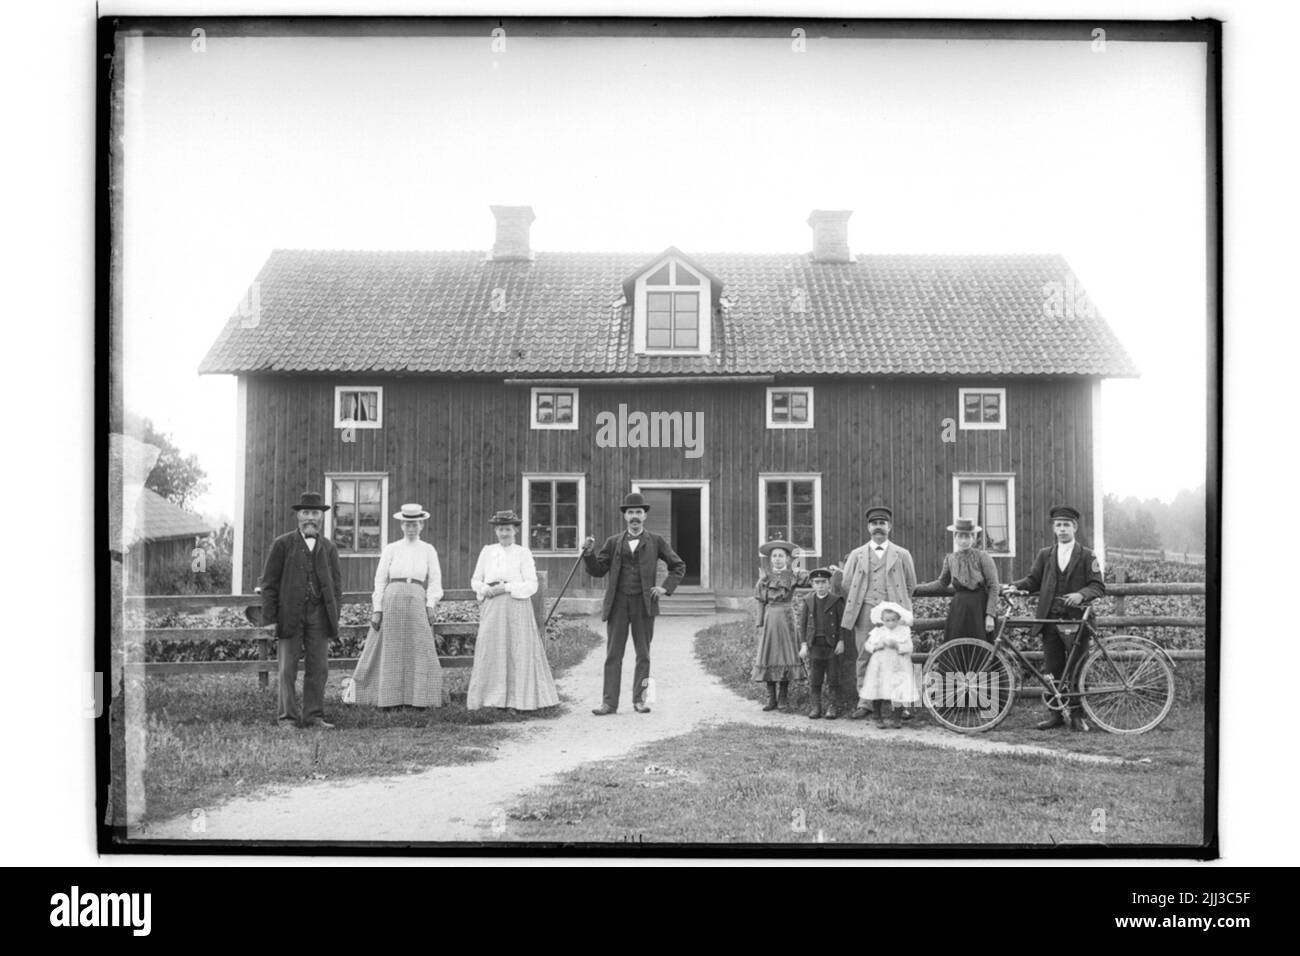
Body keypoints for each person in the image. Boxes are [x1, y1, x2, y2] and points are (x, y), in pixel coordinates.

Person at [581, 492, 686, 716]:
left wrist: (665, 588)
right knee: (613, 655)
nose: (635, 516)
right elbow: (599, 571)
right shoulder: (612, 542)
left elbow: (678, 566)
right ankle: (609, 704)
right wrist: (588, 554)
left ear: (645, 516)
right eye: (631, 513)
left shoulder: (656, 541)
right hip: (618, 604)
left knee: (643, 654)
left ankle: (640, 700)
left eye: (639, 512)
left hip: (644, 604)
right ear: (625, 516)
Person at [1005, 505, 1106, 731]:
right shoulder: (1045, 554)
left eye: (1066, 525)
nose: (1062, 529)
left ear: (1075, 528)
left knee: (1078, 668)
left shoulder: (1087, 555)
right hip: (1050, 620)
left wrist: (1081, 595)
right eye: (1058, 525)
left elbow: (1098, 586)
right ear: (1053, 528)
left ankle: (1079, 715)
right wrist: (1014, 586)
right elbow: (1033, 581)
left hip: (1077, 621)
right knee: (1052, 669)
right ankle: (1056, 715)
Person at [259, 491, 343, 729]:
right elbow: (269, 585)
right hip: (289, 614)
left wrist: (334, 615)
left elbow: (337, 587)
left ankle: (313, 716)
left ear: (322, 517)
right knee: (287, 669)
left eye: (315, 513)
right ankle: (287, 718)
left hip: (319, 616)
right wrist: (270, 619)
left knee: (319, 668)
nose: (310, 518)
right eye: (305, 513)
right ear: (298, 516)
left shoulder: (329, 548)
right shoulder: (282, 544)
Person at [351, 503, 446, 709]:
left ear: (421, 525)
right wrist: (378, 609)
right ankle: (389, 698)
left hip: (417, 598)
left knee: (420, 647)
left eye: (415, 524)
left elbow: (436, 580)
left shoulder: (428, 549)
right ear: (402, 525)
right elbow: (380, 580)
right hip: (392, 598)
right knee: (391, 648)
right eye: (407, 524)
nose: (411, 528)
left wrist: (431, 604)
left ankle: (420, 699)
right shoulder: (391, 548)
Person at [466, 510, 559, 712]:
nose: (504, 533)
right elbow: (475, 579)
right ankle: (492, 700)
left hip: (516, 605)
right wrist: (485, 589)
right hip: (492, 604)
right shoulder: (488, 551)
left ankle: (517, 701)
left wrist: (506, 588)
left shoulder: (522, 553)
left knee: (517, 651)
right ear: (495, 531)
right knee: (492, 650)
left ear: (515, 530)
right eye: (500, 529)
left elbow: (532, 584)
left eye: (508, 529)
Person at [834, 506, 917, 720]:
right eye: (874, 523)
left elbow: (911, 584)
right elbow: (847, 583)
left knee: (898, 655)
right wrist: (864, 599)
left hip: (894, 613)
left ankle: (900, 703)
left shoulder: (902, 554)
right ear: (868, 527)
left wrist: (897, 606)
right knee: (865, 654)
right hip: (865, 611)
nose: (878, 527)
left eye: (882, 523)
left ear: (889, 527)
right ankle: (866, 702)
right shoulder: (857, 554)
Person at [919, 516, 1001, 643]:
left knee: (980, 646)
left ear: (973, 538)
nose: (964, 541)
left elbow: (994, 586)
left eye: (967, 537)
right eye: (960, 536)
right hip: (959, 609)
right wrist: (916, 588)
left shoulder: (983, 557)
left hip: (979, 609)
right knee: (957, 646)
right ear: (955, 538)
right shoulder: (950, 559)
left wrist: (990, 615)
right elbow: (941, 583)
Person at [752, 540, 811, 713]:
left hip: (786, 617)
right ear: (771, 559)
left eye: (781, 556)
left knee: (786, 655)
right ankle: (771, 698)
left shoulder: (792, 575)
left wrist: (800, 569)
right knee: (770, 654)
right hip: (770, 618)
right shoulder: (764, 578)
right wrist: (760, 623)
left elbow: (808, 580)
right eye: (775, 556)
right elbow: (761, 602)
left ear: (787, 558)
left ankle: (783, 698)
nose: (778, 559)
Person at [796, 567, 850, 719]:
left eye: (823, 582)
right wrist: (804, 644)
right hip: (815, 645)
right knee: (815, 678)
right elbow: (803, 623)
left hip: (831, 645)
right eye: (817, 583)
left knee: (833, 677)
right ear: (812, 584)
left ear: (829, 583)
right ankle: (816, 707)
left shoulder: (835, 600)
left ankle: (832, 707)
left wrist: (841, 641)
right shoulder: (808, 600)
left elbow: (842, 623)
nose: (820, 586)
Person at [858, 602, 918, 729]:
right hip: (880, 665)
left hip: (898, 665)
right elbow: (868, 645)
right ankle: (877, 716)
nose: (890, 623)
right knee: (877, 688)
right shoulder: (878, 632)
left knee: (898, 689)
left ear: (898, 619)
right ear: (882, 620)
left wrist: (897, 646)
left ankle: (896, 717)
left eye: (893, 620)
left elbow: (909, 648)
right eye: (887, 620)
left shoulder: (903, 631)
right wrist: (876, 646)